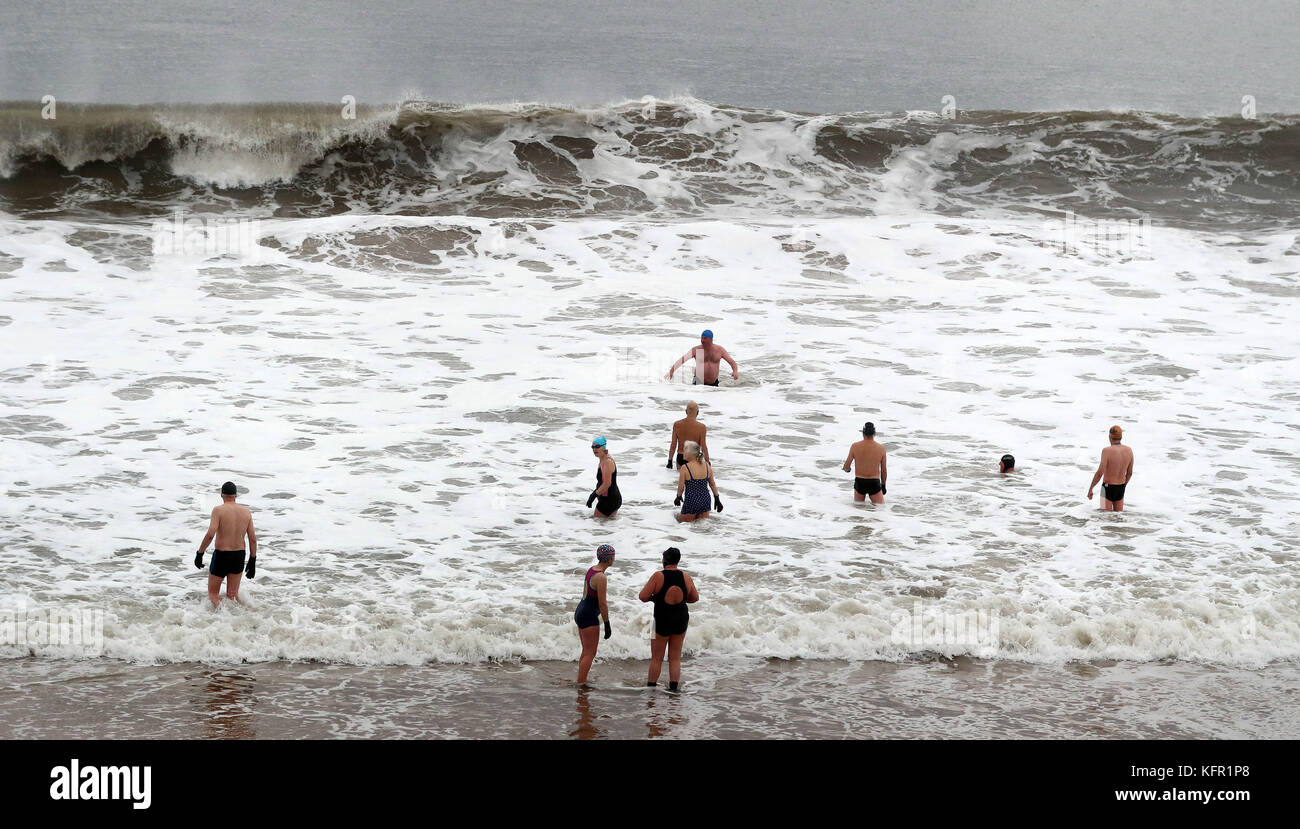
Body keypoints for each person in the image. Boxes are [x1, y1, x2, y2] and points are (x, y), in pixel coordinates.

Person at [638, 547, 699, 692]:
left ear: (664, 560)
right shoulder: (686, 577)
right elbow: (695, 598)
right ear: (677, 561)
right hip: (681, 618)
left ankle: (651, 689)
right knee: (675, 658)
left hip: (661, 619)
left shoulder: (658, 576)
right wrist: (682, 599)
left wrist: (655, 599)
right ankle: (673, 690)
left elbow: (643, 596)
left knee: (656, 658)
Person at [194, 481, 258, 608]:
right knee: (232, 596)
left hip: (222, 556)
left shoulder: (218, 510)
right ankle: (237, 619)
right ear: (236, 495)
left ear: (222, 495)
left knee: (213, 595)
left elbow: (210, 534)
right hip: (239, 556)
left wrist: (200, 553)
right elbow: (253, 539)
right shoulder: (246, 512)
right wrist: (252, 560)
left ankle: (220, 618)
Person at [575, 544, 615, 685]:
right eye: (613, 556)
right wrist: (607, 624)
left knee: (586, 651)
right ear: (609, 559)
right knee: (590, 653)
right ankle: (581, 684)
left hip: (580, 611)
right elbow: (602, 603)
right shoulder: (601, 577)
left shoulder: (591, 570)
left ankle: (581, 679)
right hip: (588, 615)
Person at [665, 330, 738, 386]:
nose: (702, 340)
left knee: (713, 405)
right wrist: (671, 372)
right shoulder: (696, 350)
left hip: (713, 383)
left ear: (711, 339)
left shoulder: (719, 350)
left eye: (705, 338)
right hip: (698, 382)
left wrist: (735, 371)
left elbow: (732, 363)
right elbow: (682, 360)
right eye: (702, 338)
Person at [1088, 425, 1134, 511]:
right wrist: (1123, 486)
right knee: (1118, 519)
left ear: (1109, 436)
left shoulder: (1107, 451)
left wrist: (1091, 489)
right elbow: (1129, 473)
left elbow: (1099, 473)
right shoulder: (1129, 450)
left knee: (1105, 519)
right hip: (1120, 487)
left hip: (1107, 488)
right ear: (1121, 437)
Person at [674, 441, 722, 522]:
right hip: (705, 500)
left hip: (691, 501)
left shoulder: (685, 467)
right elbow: (712, 484)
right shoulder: (707, 465)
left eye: (685, 450)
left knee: (684, 527)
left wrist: (678, 497)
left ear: (691, 453)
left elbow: (681, 487)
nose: (683, 452)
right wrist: (717, 499)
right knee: (701, 527)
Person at [843, 422, 888, 503]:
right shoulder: (881, 448)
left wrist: (847, 470)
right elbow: (884, 470)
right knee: (880, 510)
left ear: (863, 433)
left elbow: (846, 467)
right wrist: (883, 485)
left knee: (859, 511)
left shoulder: (855, 446)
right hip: (874, 482)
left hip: (860, 482)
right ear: (874, 434)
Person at [586, 436, 622, 518]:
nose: (594, 449)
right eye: (593, 447)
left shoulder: (607, 461)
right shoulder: (602, 459)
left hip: (609, 500)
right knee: (607, 526)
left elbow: (607, 483)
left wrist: (593, 496)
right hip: (610, 499)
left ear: (603, 447)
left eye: (597, 446)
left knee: (596, 526)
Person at [667, 401, 710, 469]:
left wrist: (670, 460)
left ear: (686, 411)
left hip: (681, 457)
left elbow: (673, 444)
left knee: (680, 478)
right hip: (694, 459)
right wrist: (708, 462)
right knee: (693, 478)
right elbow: (703, 447)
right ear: (697, 412)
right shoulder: (702, 427)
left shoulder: (677, 424)